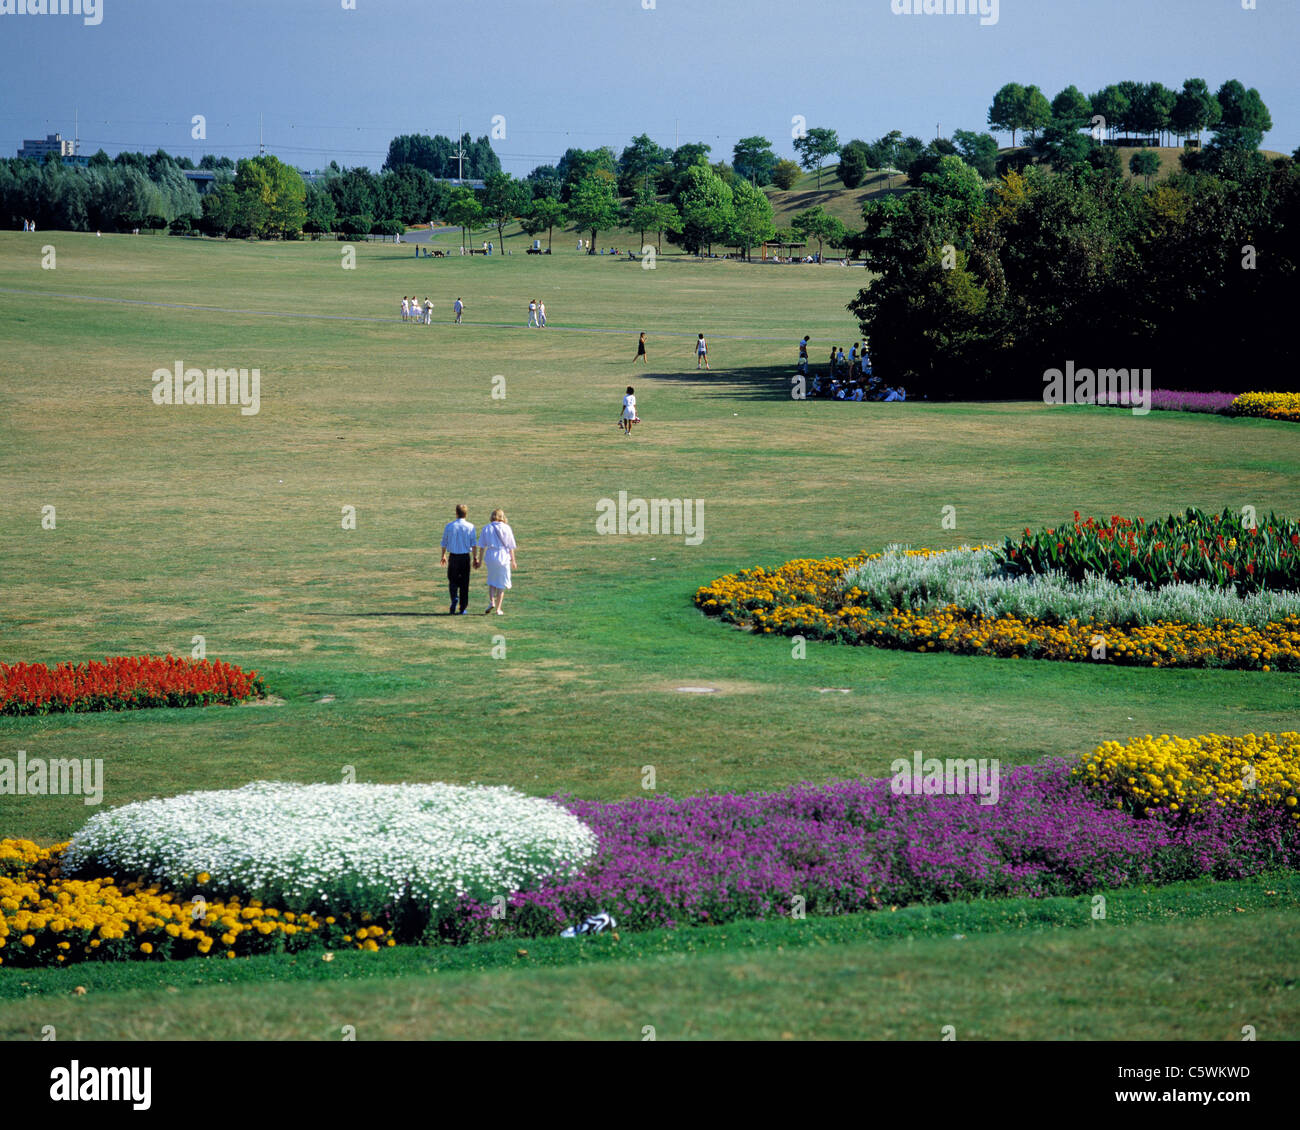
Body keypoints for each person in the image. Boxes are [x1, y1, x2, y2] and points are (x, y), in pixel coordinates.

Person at [474, 509, 518, 615]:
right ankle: (498, 608)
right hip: (503, 556)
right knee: (501, 583)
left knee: (492, 580)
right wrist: (513, 561)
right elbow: (511, 546)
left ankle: (491, 601)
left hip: (491, 555)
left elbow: (482, 546)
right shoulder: (507, 528)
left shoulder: (486, 528)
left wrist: (479, 560)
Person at [440, 503, 477, 614]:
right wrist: (475, 558)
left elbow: (444, 542)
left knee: (452, 580)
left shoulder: (449, 526)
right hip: (465, 557)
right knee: (465, 583)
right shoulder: (470, 527)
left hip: (454, 557)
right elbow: (474, 544)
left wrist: (443, 555)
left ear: (456, 513)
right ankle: (463, 607)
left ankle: (454, 598)